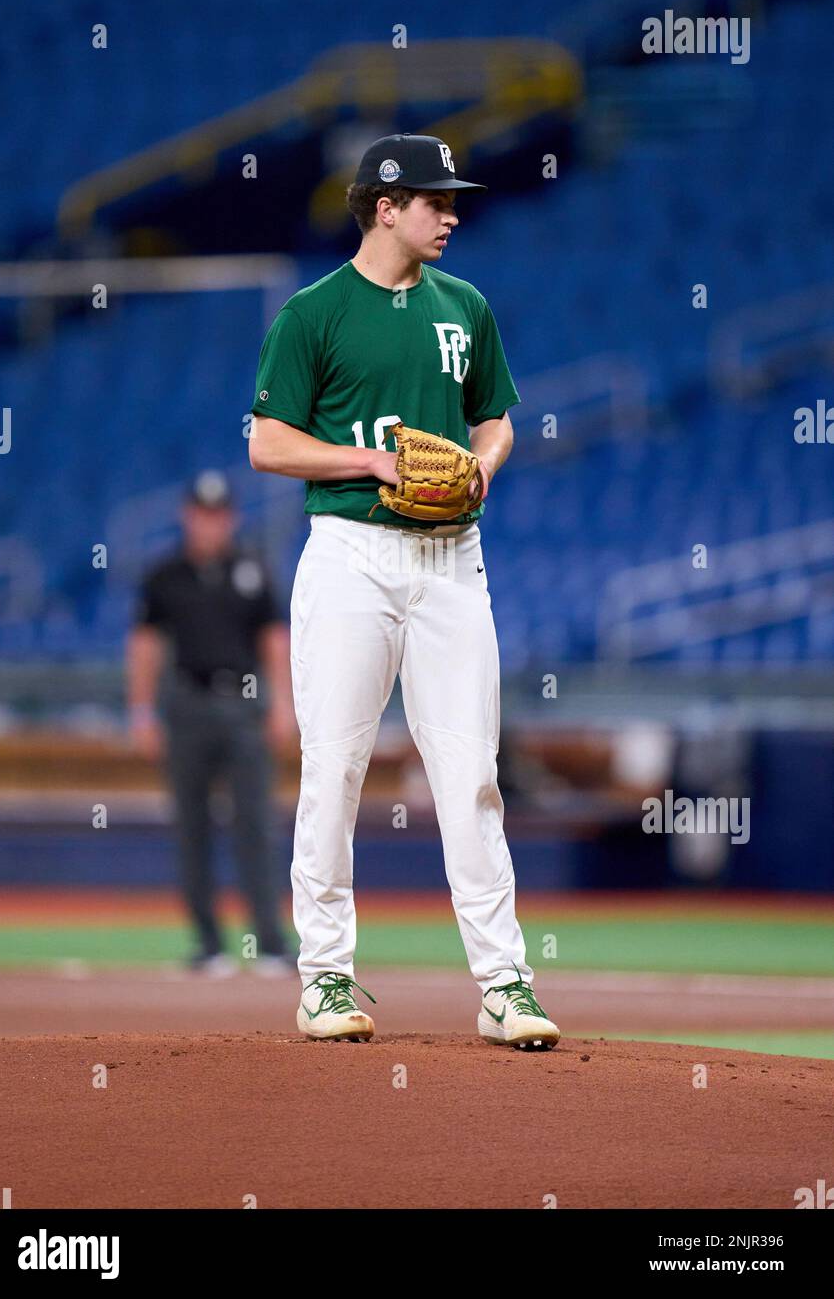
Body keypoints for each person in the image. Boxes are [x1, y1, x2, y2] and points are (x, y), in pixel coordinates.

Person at [247, 133, 560, 1049]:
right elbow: (267, 443)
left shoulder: (466, 306)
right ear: (384, 206)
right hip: (349, 553)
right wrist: (365, 460)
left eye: (452, 200)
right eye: (435, 200)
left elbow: (496, 418)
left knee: (470, 778)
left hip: (452, 559)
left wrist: (485, 464)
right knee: (335, 773)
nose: (452, 213)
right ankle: (326, 980)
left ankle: (505, 985)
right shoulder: (315, 312)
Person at [126, 470, 297, 977]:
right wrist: (141, 710)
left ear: (233, 519)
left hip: (243, 708)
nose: (210, 525)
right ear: (186, 517)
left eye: (219, 515)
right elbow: (144, 645)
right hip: (186, 706)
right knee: (192, 826)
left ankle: (268, 943)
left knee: (256, 825)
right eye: (202, 514)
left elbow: (273, 640)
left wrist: (283, 705)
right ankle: (208, 944)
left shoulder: (252, 569)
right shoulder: (165, 576)